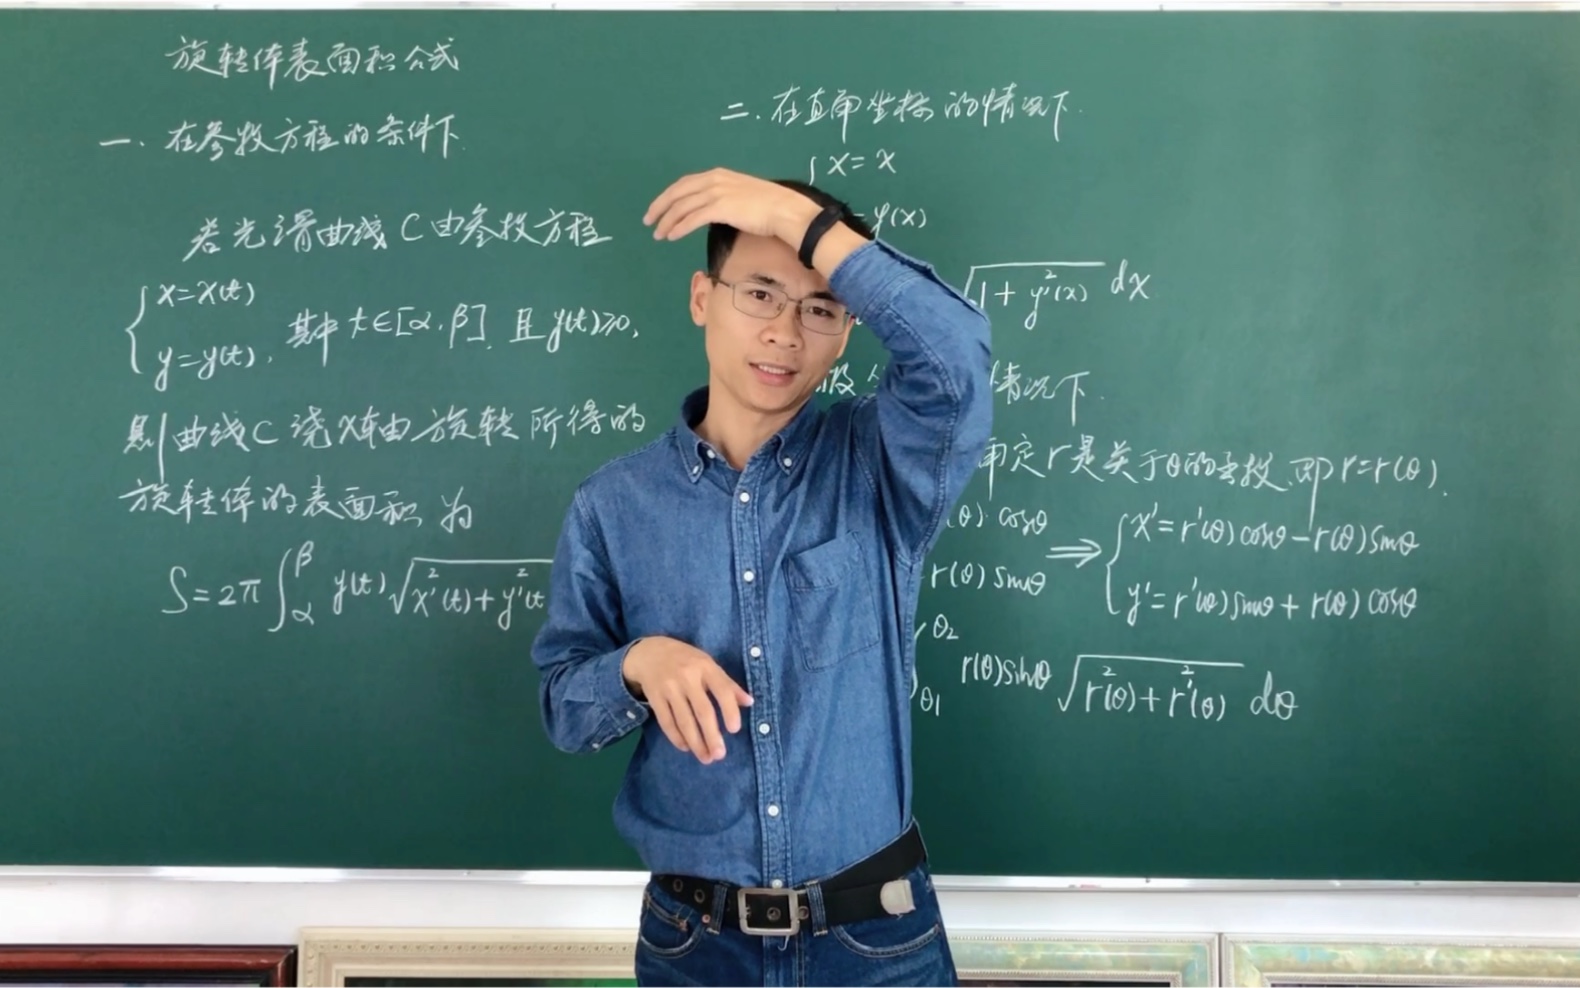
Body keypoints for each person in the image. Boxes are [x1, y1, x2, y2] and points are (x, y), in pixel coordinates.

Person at [531, 167, 992, 987]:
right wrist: (636, 666)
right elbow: (563, 709)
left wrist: (790, 216)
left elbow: (956, 357)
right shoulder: (613, 504)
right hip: (695, 947)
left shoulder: (879, 463)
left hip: (875, 943)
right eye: (760, 294)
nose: (784, 333)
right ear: (701, 299)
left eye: (820, 308)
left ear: (845, 333)